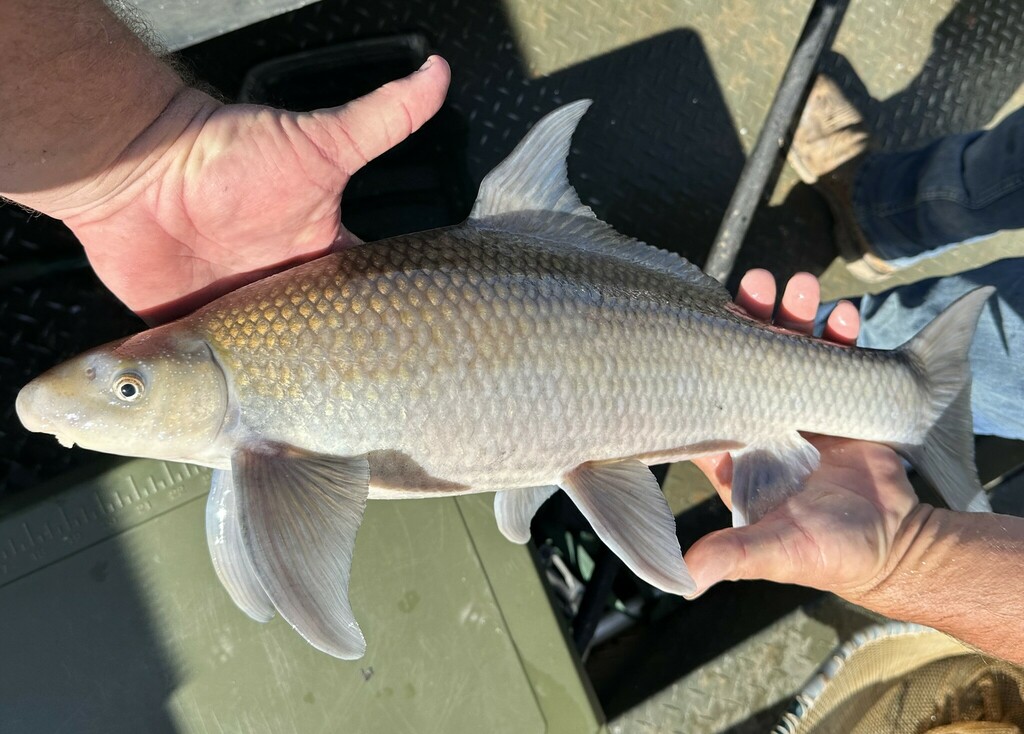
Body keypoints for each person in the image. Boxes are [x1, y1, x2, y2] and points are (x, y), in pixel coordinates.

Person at [3, 1, 1022, 666]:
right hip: (623, 357)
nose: (102, 405)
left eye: (126, 389)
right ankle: (889, 218)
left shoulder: (262, 446)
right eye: (121, 389)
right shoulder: (249, 421)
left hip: (621, 353)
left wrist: (909, 553)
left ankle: (892, 231)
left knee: (844, 350)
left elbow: (283, 552)